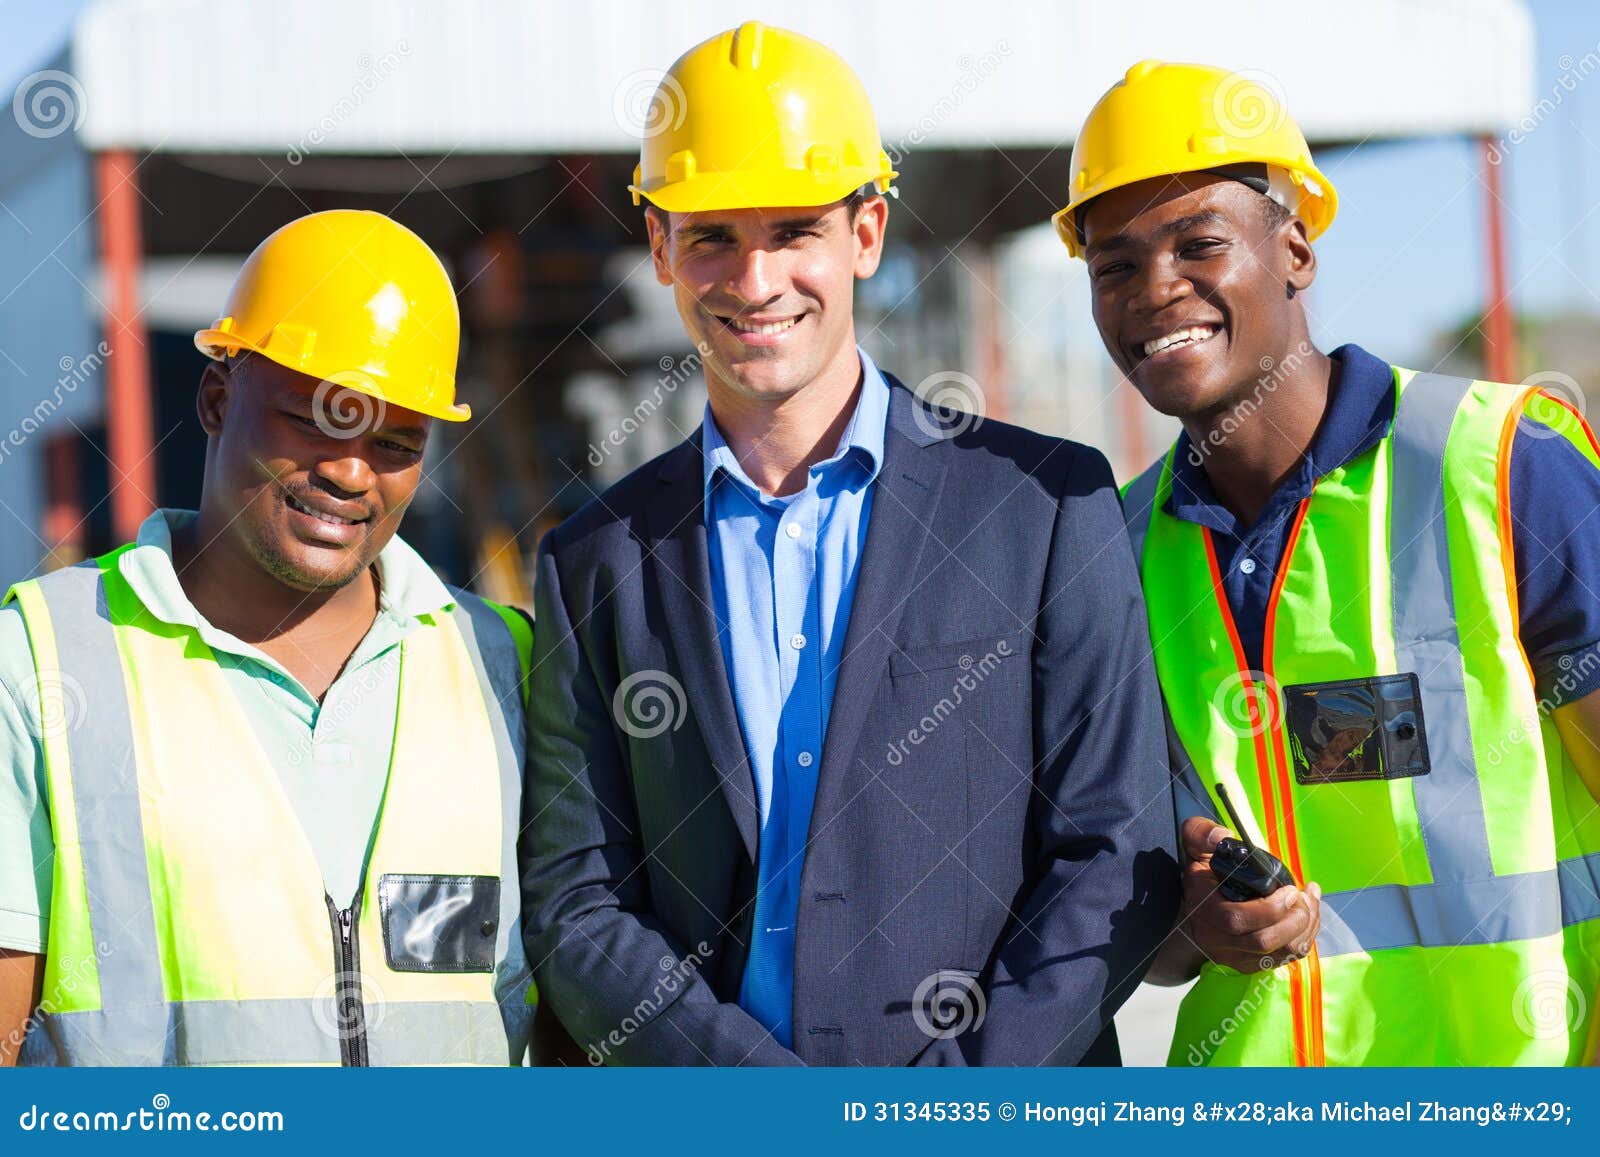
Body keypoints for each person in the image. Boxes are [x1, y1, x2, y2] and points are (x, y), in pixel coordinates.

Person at [521, 21, 1178, 1067]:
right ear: (658, 249)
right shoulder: (596, 561)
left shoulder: (1042, 505)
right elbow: (575, 899)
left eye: (793, 229)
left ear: (866, 232)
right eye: (711, 236)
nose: (755, 276)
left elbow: (1116, 849)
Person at [1056, 60, 1600, 1065]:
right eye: (1113, 267)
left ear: (1295, 246)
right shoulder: (1113, 550)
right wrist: (1200, 917)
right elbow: (1157, 931)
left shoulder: (1499, 466)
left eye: (1197, 243)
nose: (1155, 289)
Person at [0, 210, 535, 1066]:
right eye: (317, 418)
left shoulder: (504, 664)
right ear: (217, 399)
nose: (352, 471)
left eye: (396, 441)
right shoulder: (41, 659)